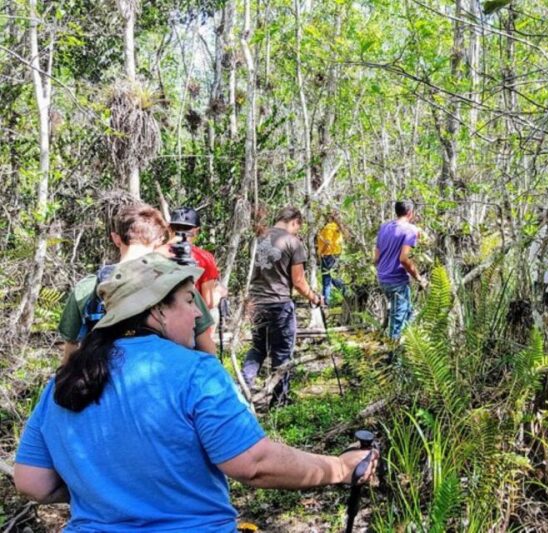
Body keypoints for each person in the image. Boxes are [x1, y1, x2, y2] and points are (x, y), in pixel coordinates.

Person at [14, 256, 377, 532]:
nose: (197, 315)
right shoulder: (195, 371)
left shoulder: (65, 380)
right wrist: (340, 468)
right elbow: (254, 465)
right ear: (156, 310)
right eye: (189, 301)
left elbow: (32, 482)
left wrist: (102, 487)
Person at [58, 203, 216, 363]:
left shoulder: (87, 288)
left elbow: (70, 354)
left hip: (99, 379)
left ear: (115, 238)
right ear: (160, 240)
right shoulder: (177, 283)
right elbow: (207, 350)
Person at [244, 206, 322, 403]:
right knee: (282, 351)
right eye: (298, 227)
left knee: (258, 347)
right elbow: (298, 281)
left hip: (256, 302)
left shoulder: (259, 238)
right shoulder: (293, 243)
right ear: (294, 221)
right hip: (279, 303)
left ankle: (243, 387)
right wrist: (314, 298)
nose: (297, 231)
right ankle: (279, 400)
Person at [374, 200, 426, 340]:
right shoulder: (409, 230)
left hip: (383, 278)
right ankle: (394, 359)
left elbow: (376, 258)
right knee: (398, 322)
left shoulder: (384, 227)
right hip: (397, 281)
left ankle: (405, 349)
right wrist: (419, 277)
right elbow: (404, 259)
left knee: (407, 313)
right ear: (410, 213)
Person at [163, 207, 221, 311]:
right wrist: (220, 292)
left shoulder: (154, 253)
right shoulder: (204, 258)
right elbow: (208, 302)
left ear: (169, 228)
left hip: (157, 316)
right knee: (214, 312)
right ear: (196, 231)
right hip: (189, 316)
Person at [316, 210, 347, 306]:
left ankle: (326, 301)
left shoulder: (329, 227)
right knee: (332, 277)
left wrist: (321, 252)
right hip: (336, 254)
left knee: (327, 278)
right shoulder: (337, 227)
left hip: (328, 255)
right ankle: (345, 293)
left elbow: (327, 242)